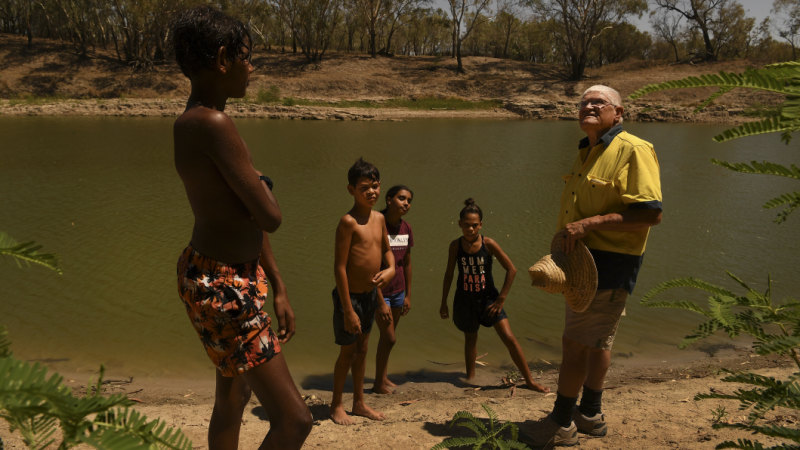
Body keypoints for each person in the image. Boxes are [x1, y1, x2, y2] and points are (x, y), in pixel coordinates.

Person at [171, 6, 311, 449]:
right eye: (246, 57)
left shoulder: (196, 120)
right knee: (295, 421)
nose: (252, 68)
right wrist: (264, 188)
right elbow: (270, 216)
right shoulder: (213, 124)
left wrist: (279, 285)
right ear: (221, 59)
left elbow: (247, 217)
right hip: (222, 285)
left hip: (223, 272)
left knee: (233, 397)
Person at [526, 85, 662, 447]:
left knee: (575, 345)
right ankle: (589, 414)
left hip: (608, 263)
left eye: (598, 102)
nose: (588, 105)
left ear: (618, 113)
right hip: (584, 261)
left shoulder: (633, 149)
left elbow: (650, 213)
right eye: (584, 102)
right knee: (598, 342)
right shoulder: (588, 151)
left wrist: (590, 224)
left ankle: (560, 424)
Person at [440, 198, 550, 392]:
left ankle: (530, 381)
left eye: (475, 226)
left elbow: (512, 269)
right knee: (470, 339)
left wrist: (501, 299)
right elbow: (449, 274)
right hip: (465, 300)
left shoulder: (488, 244)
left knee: (509, 338)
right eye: (466, 225)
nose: (471, 230)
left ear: (481, 225)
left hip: (489, 299)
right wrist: (444, 302)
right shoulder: (455, 246)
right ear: (460, 224)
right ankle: (470, 378)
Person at [330, 158, 396, 425]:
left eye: (375, 186)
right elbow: (340, 268)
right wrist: (347, 310)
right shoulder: (348, 223)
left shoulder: (380, 218)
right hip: (350, 299)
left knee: (363, 350)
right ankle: (336, 404)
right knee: (348, 352)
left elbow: (387, 253)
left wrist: (390, 271)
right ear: (351, 190)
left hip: (370, 296)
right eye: (364, 187)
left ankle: (359, 402)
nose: (371, 192)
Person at [372, 185, 415, 394]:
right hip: (379, 292)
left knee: (387, 339)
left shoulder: (406, 228)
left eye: (408, 200)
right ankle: (378, 384)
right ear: (389, 200)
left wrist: (407, 295)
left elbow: (406, 263)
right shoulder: (376, 223)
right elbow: (369, 265)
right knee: (389, 338)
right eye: (401, 198)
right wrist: (379, 300)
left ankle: (383, 377)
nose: (406, 203)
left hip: (398, 291)